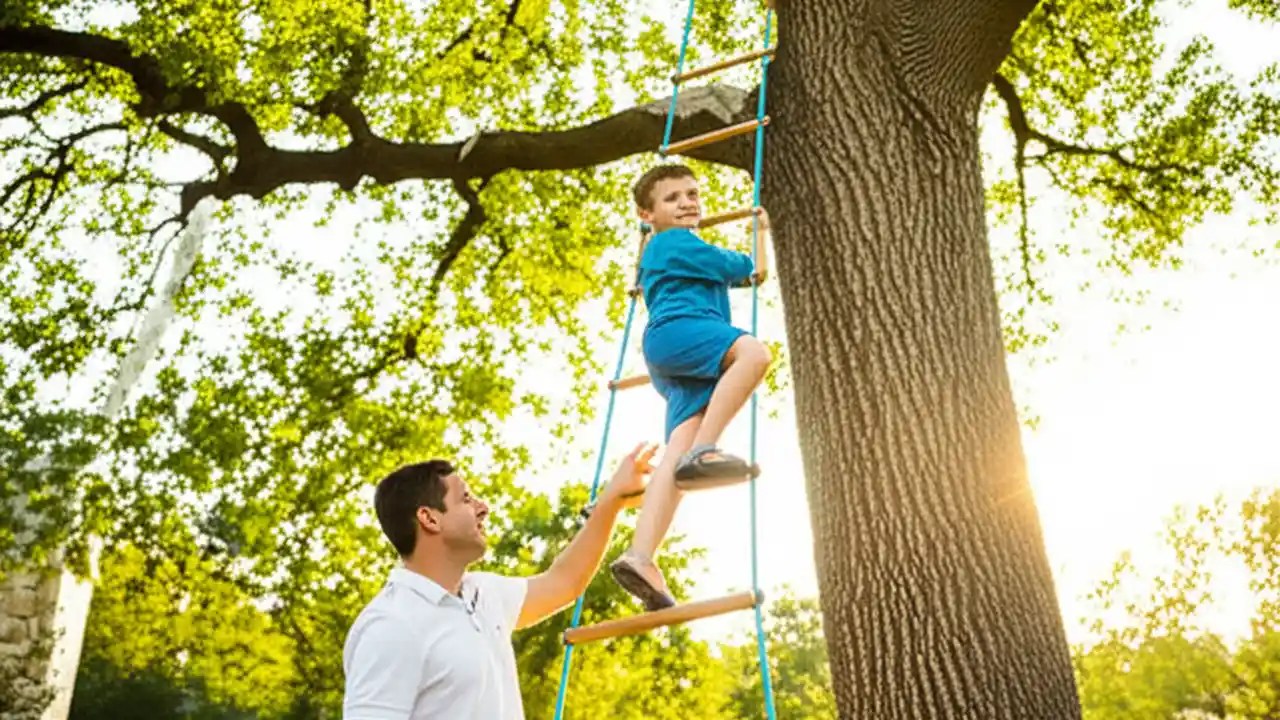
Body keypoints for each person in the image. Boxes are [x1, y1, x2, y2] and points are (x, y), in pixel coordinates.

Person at [342, 443, 656, 719]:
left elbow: (565, 582)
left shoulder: (483, 593)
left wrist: (612, 499)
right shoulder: (391, 625)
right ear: (429, 518)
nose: (483, 508)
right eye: (466, 499)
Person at [610, 164, 772, 612]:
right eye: (673, 198)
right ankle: (706, 452)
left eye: (693, 194)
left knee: (677, 446)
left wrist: (759, 230)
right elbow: (748, 269)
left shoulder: (657, 252)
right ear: (649, 215)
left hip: (673, 354)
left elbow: (751, 275)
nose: (687, 203)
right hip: (683, 331)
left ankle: (640, 556)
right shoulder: (674, 243)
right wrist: (761, 228)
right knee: (754, 354)